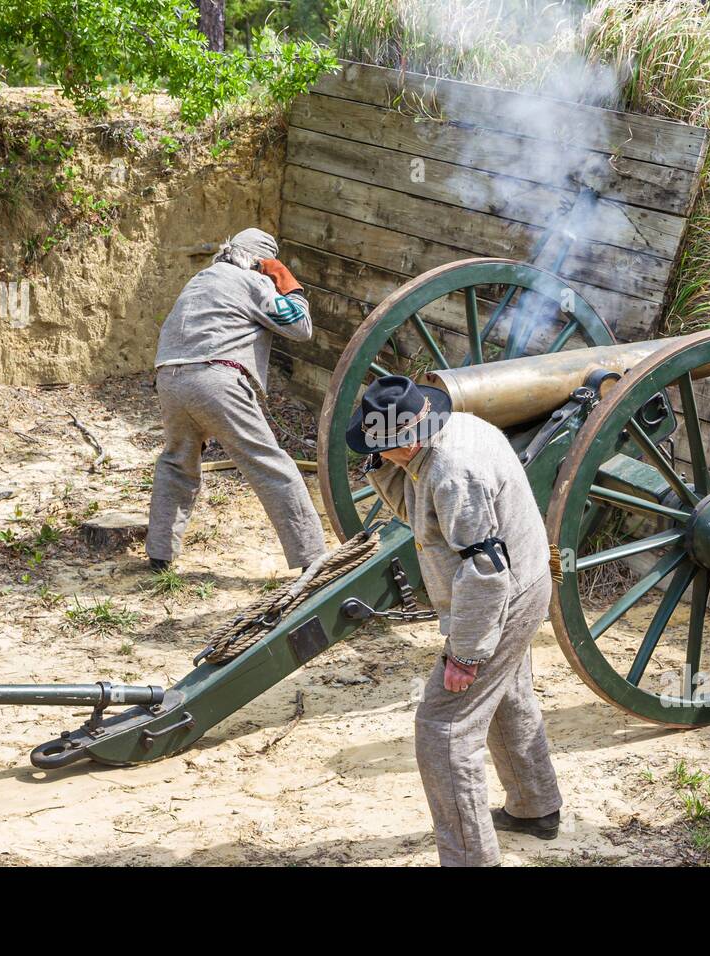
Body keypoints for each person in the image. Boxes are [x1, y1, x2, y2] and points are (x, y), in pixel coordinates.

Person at [350, 374, 563, 866]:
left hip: (501, 598)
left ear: (410, 440)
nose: (381, 454)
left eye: (384, 447)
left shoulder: (452, 471)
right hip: (525, 583)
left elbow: (486, 572)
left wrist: (465, 655)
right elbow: (424, 516)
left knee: (443, 730)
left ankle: (469, 859)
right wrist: (380, 464)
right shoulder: (458, 426)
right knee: (507, 696)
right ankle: (534, 808)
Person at [146, 228, 326, 572]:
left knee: (176, 462)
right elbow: (301, 327)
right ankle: (313, 557)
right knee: (271, 466)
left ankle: (160, 554)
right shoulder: (252, 282)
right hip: (214, 379)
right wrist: (289, 284)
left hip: (169, 379)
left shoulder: (200, 279)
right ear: (261, 263)